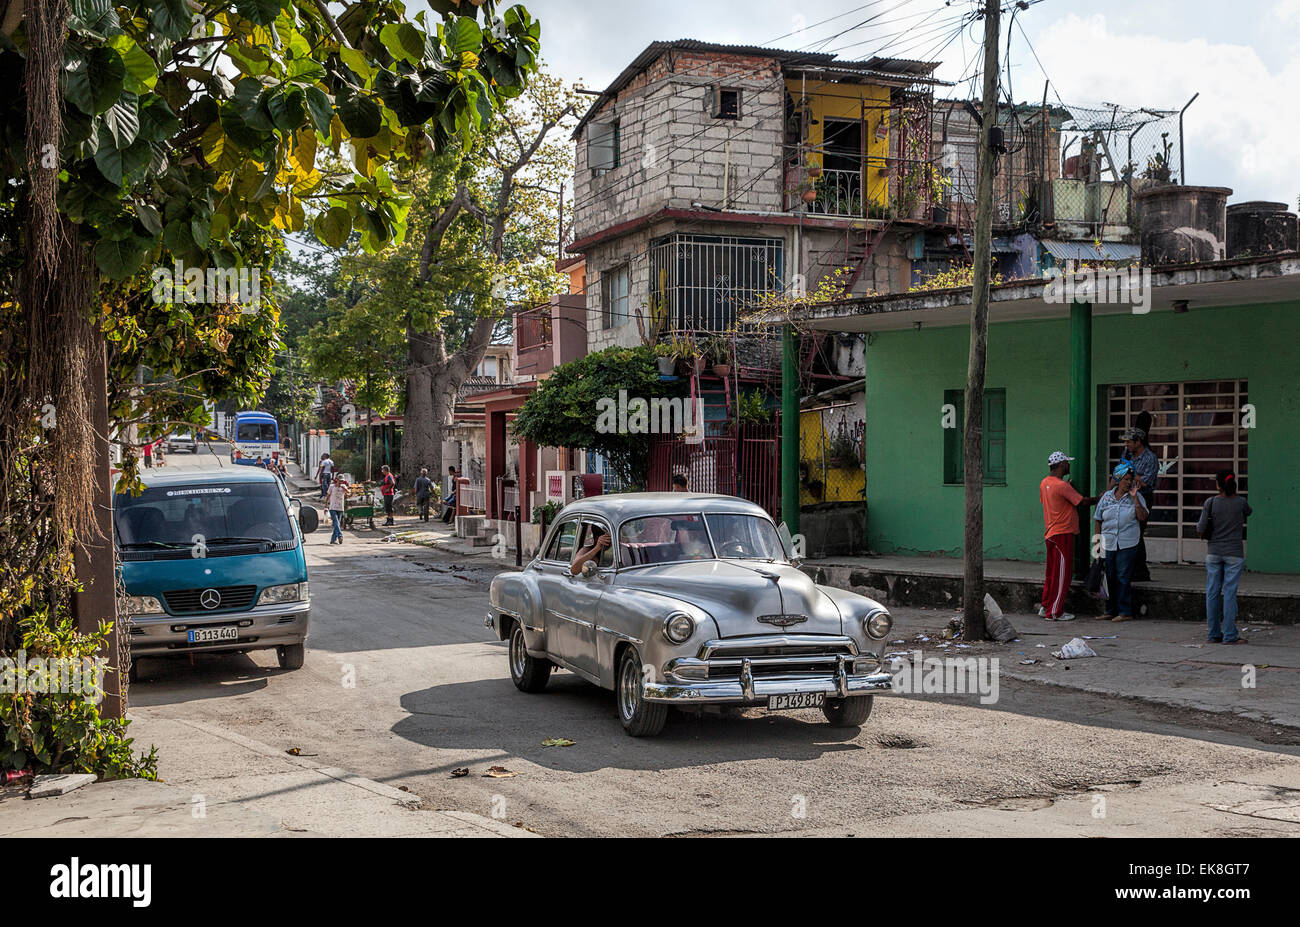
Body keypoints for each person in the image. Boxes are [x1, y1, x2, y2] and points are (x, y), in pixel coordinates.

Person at [1038, 451, 1099, 621]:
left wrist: (1067, 487)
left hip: (1051, 532)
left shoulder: (1045, 483)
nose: (1069, 465)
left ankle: (1046, 606)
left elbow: (1054, 499)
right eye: (1067, 462)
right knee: (1063, 574)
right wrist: (1099, 499)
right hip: (1062, 533)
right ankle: (1055, 611)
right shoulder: (1062, 486)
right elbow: (1082, 502)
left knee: (1051, 573)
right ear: (1062, 465)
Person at [1198, 470, 1252, 645]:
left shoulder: (1210, 502)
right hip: (1234, 553)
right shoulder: (1241, 502)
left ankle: (1213, 634)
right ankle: (1229, 635)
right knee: (1229, 593)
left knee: (1212, 592)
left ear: (1218, 485)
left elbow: (1201, 527)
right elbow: (1249, 512)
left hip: (1213, 552)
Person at [1094, 461, 1149, 622]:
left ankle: (1125, 611)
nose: (1128, 483)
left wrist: (1135, 498)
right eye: (1125, 479)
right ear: (1117, 480)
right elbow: (1098, 520)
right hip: (1108, 542)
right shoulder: (1107, 497)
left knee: (1123, 576)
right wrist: (1096, 545)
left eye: (1130, 479)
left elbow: (1143, 517)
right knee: (1109, 577)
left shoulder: (1135, 497)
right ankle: (1111, 610)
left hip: (1127, 543)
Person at [1120, 424, 1159, 582]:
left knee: (1138, 532)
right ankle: (1132, 568)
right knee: (1128, 531)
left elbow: (1146, 482)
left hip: (1142, 497)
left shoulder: (1150, 458)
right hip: (1127, 496)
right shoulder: (1128, 455)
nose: (1126, 445)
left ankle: (1140, 570)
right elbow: (1119, 473)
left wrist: (1130, 471)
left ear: (1138, 442)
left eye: (1129, 442)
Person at [326, 473, 349, 544]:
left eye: (342, 481)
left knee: (337, 523)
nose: (341, 482)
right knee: (335, 522)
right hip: (332, 507)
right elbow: (328, 496)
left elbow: (348, 493)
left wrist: (345, 489)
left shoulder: (343, 486)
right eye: (340, 481)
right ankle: (340, 535)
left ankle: (333, 540)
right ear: (336, 480)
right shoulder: (332, 487)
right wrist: (325, 505)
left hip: (340, 508)